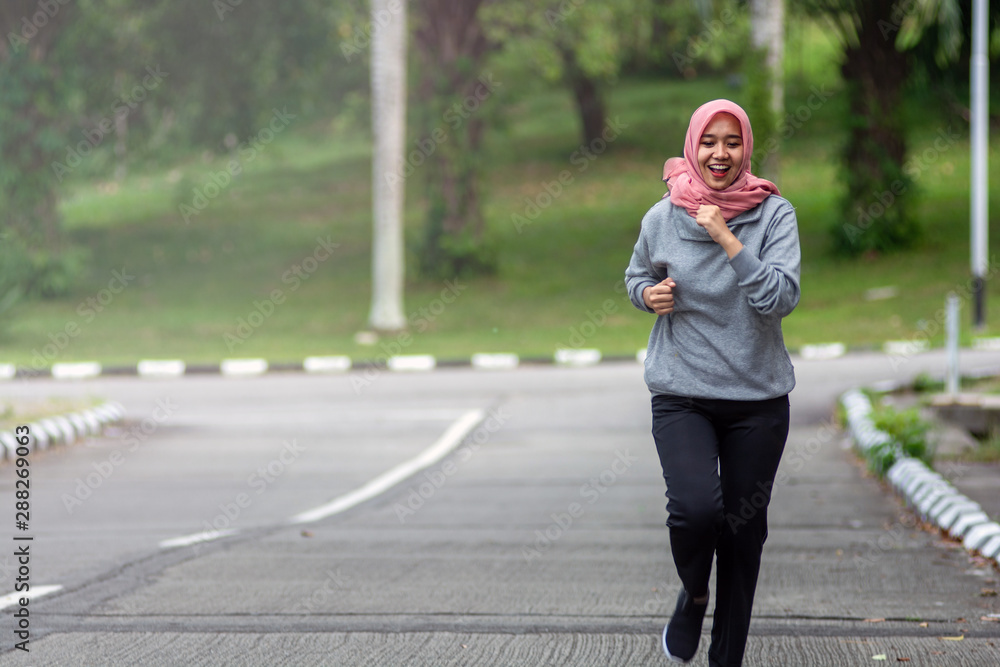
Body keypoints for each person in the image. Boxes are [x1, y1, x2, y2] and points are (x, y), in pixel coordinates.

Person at [624, 99, 800, 666]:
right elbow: (636, 276)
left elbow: (778, 298)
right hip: (683, 394)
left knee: (744, 537)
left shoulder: (774, 215)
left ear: (745, 147)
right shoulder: (662, 216)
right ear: (692, 144)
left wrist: (728, 239)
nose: (719, 154)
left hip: (758, 399)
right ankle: (695, 593)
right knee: (696, 511)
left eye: (731, 142)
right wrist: (647, 296)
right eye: (709, 142)